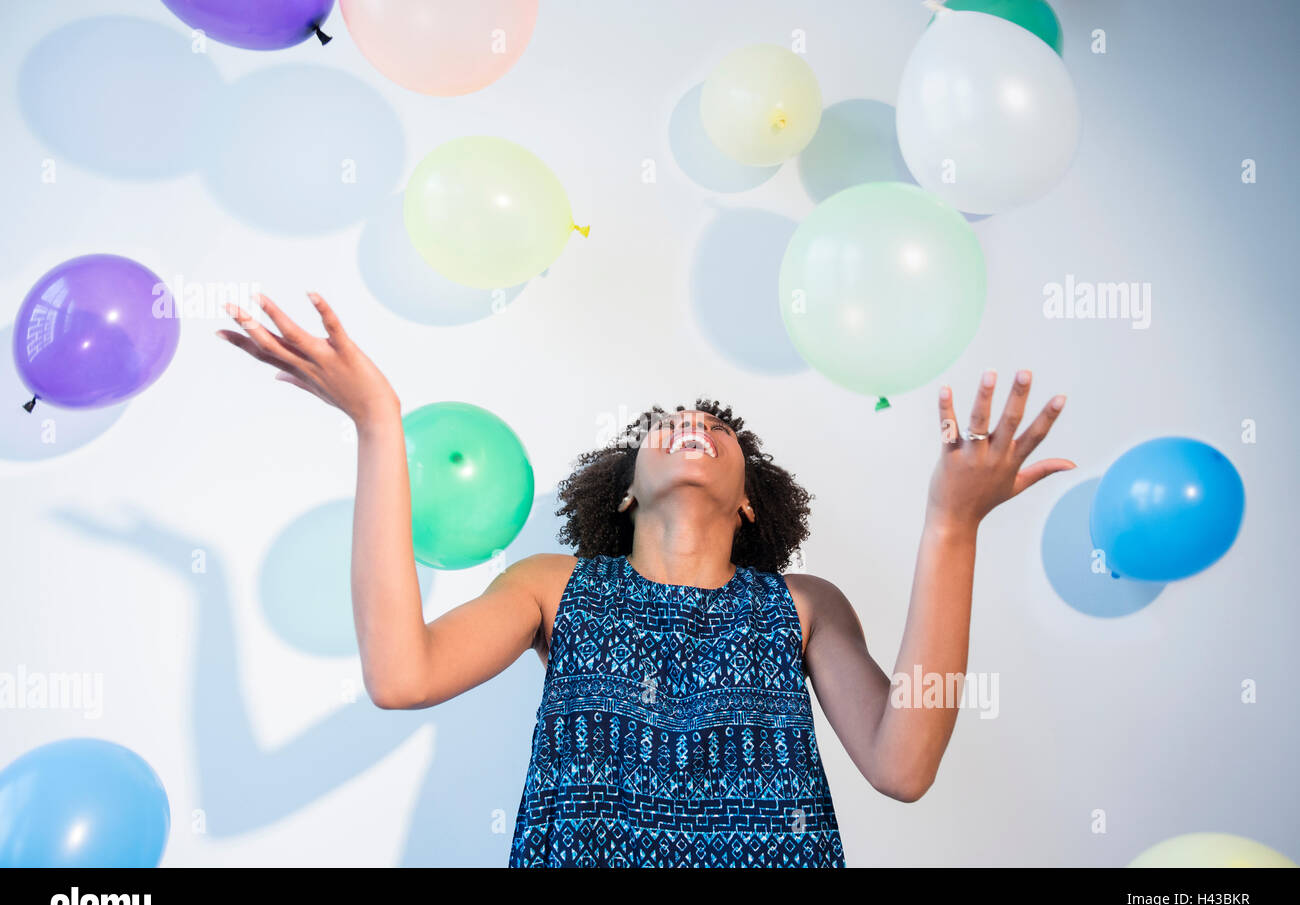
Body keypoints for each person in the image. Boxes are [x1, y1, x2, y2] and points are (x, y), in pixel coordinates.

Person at [217, 292, 1075, 867]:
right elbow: (401, 676)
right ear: (626, 488)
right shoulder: (554, 587)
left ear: (749, 505)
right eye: (669, 426)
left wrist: (952, 523)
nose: (694, 426)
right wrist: (377, 423)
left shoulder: (801, 606)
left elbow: (904, 763)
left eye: (719, 430)